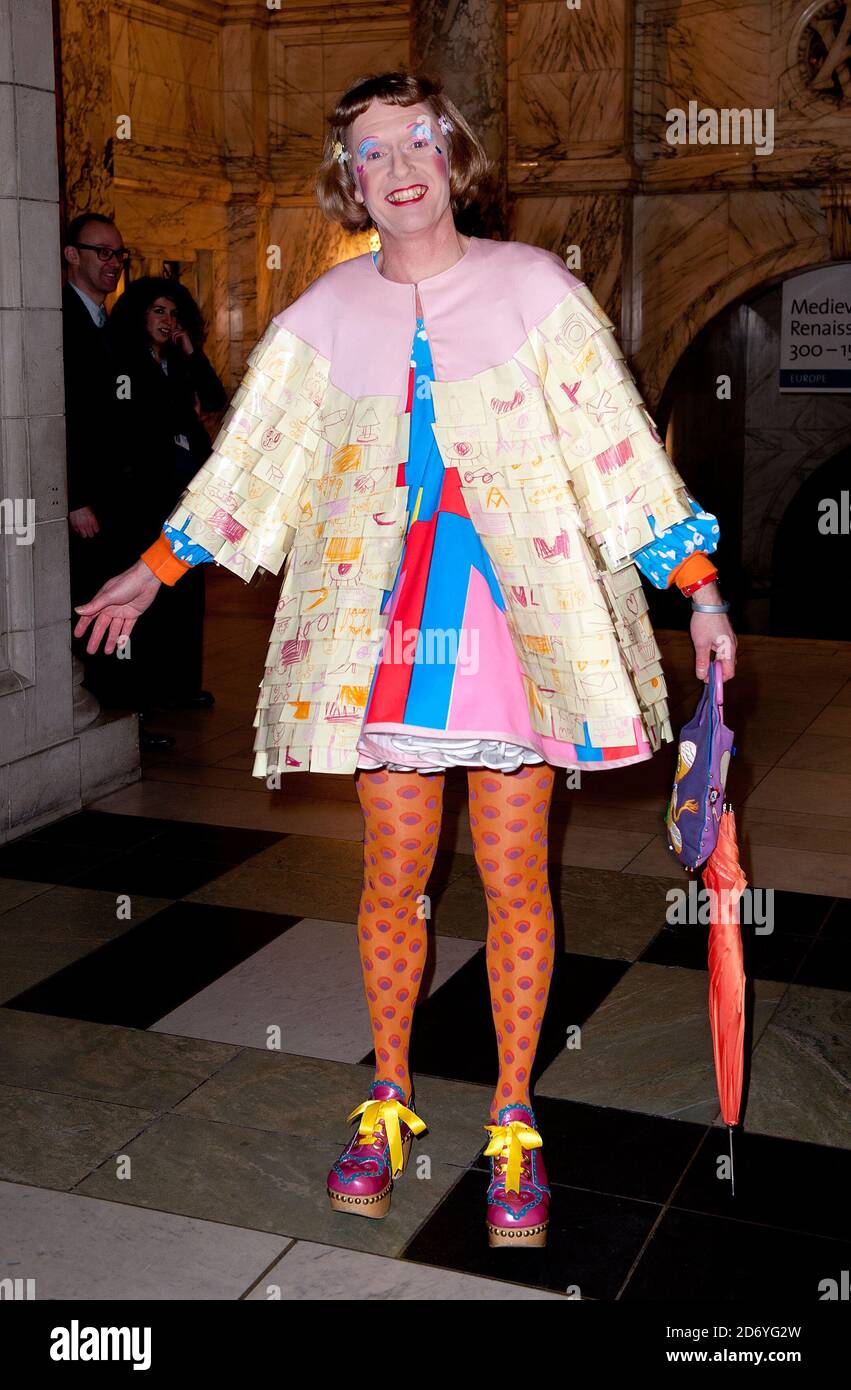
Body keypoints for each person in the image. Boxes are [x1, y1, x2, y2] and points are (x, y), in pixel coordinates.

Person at [73, 71, 737, 1248]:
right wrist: (149, 570)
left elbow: (616, 452)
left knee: (515, 876)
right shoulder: (323, 314)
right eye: (370, 151)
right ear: (350, 180)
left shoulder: (534, 289)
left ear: (453, 155)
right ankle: (385, 1098)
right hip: (384, 629)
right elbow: (250, 470)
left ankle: (514, 1122)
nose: (397, 164)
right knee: (391, 878)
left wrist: (697, 589)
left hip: (515, 622)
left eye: (415, 139)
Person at [106, 277, 226, 713]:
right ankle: (148, 694)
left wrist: (190, 350)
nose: (167, 320)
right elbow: (130, 424)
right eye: (159, 311)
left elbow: (215, 397)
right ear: (140, 313)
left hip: (184, 488)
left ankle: (183, 682)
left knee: (186, 585)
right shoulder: (122, 359)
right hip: (143, 491)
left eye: (174, 314)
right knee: (149, 588)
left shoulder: (177, 360)